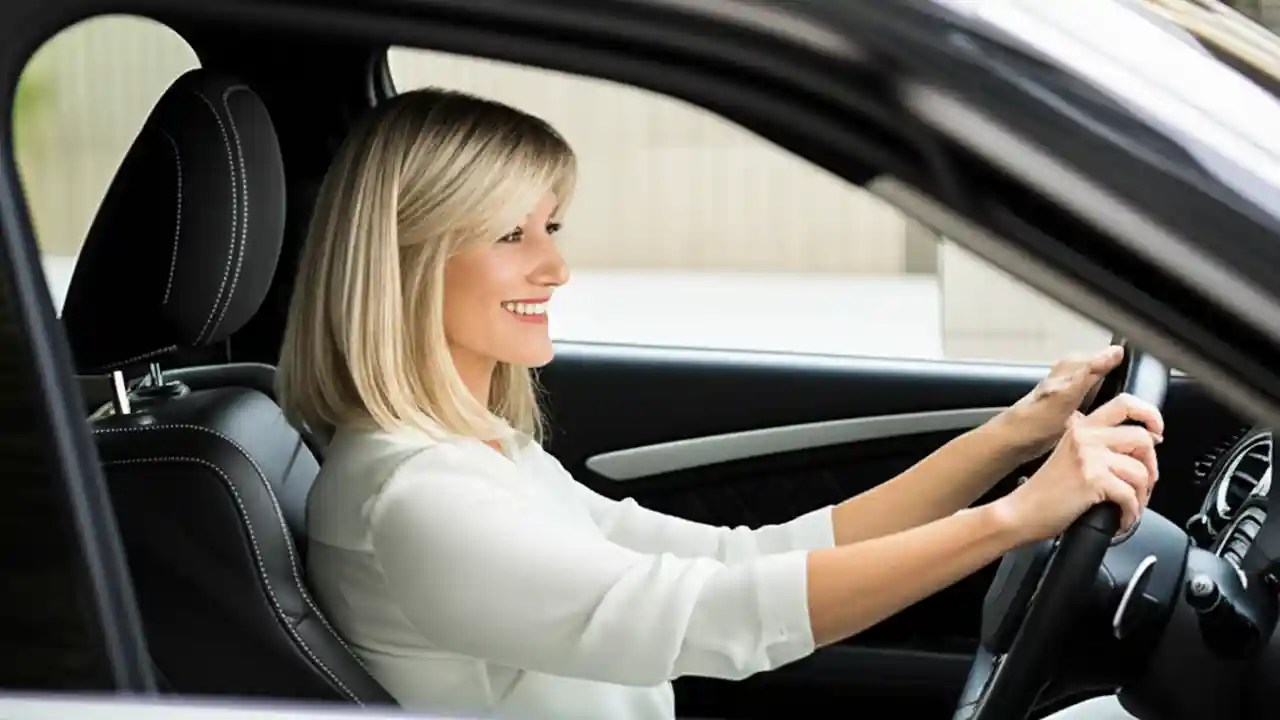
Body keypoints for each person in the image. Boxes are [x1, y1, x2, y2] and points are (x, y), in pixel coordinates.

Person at [276, 88, 1163, 720]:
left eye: (553, 227)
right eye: (513, 236)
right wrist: (1011, 521)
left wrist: (1014, 436)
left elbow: (753, 561)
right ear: (409, 260)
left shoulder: (475, 458)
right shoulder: (419, 501)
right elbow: (723, 621)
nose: (555, 268)